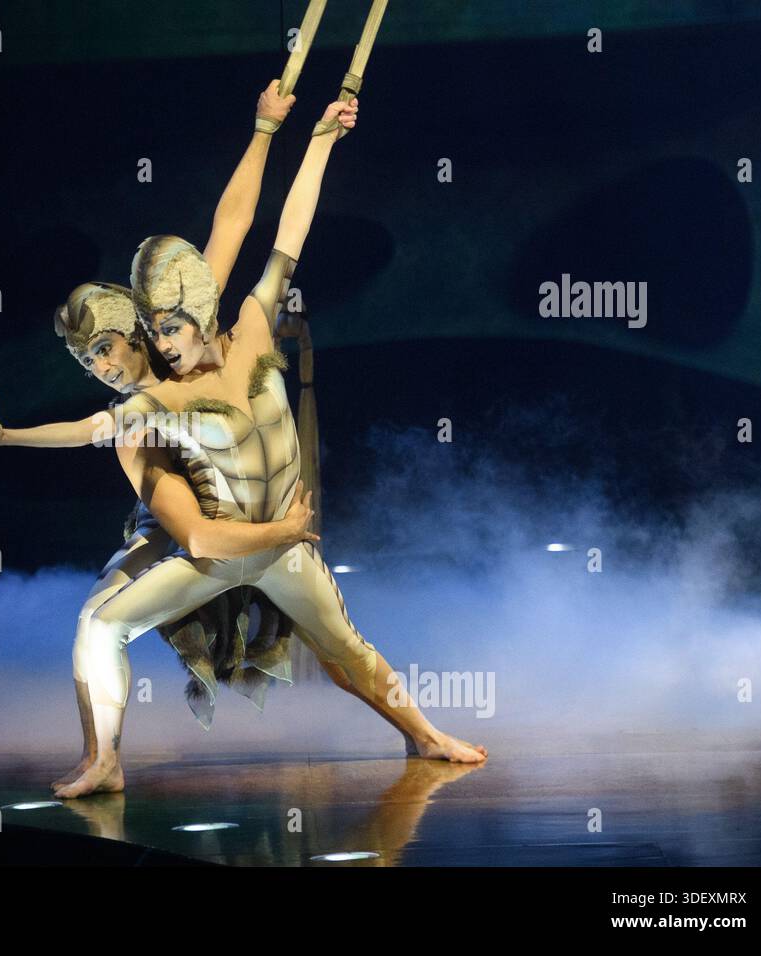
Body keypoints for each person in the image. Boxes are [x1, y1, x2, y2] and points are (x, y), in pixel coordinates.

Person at [52, 94, 486, 798]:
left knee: (347, 651)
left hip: (281, 543)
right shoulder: (147, 406)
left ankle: (426, 735)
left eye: (110, 348)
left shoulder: (214, 322)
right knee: (99, 624)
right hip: (217, 543)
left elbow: (255, 225)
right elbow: (188, 528)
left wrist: (288, 136)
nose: (107, 366)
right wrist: (8, 434)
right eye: (90, 360)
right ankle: (104, 758)